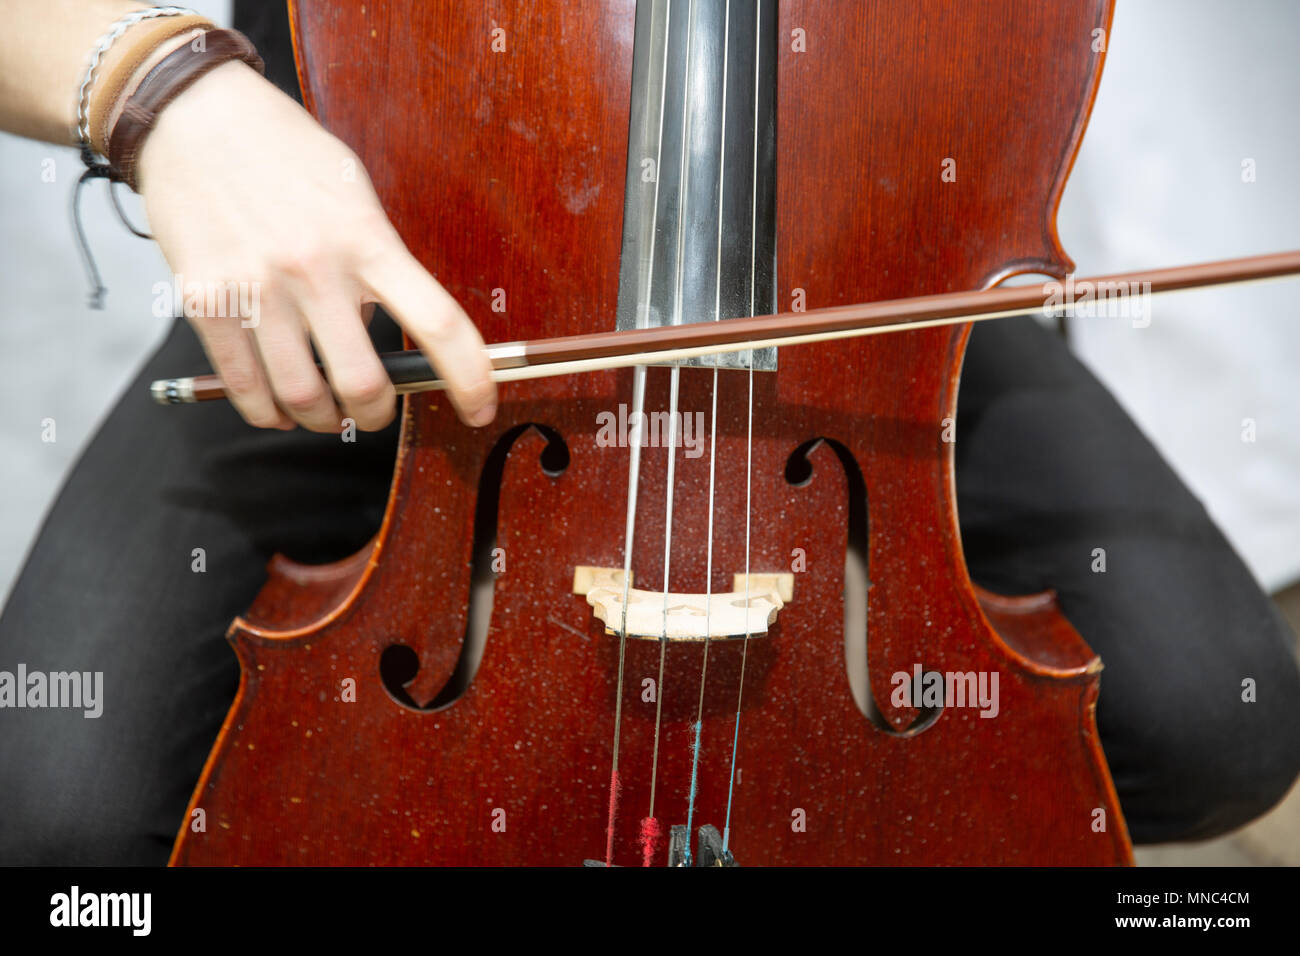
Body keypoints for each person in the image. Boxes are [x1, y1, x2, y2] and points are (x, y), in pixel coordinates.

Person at [0, 1, 1296, 865]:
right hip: (387, 263)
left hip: (862, 258)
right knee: (57, 814)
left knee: (1208, 727)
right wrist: (164, 93)